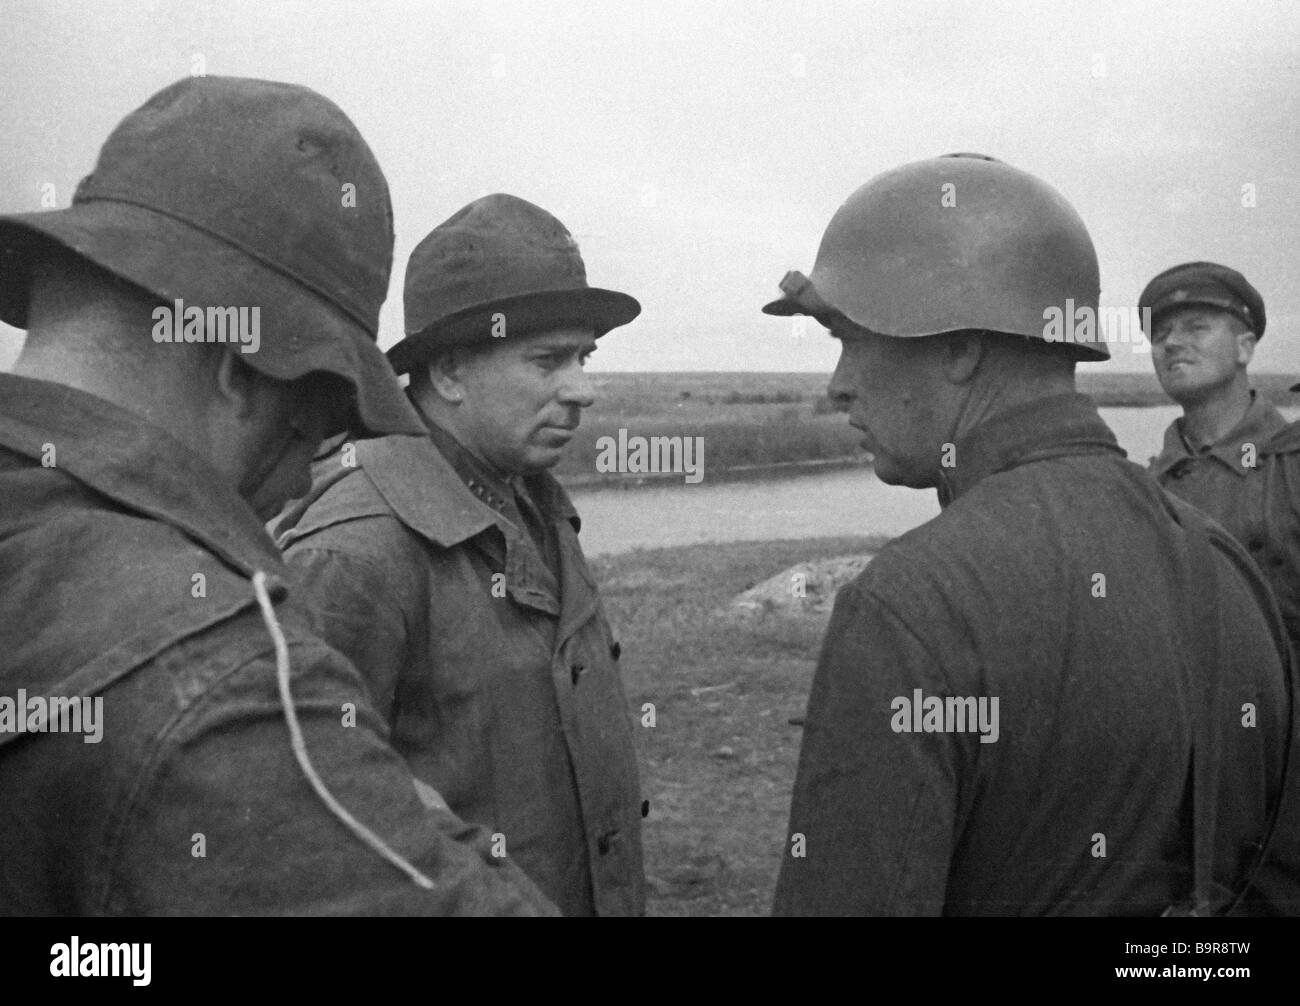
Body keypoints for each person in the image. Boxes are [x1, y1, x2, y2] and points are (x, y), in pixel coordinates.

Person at [0, 76, 556, 916]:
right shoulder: (223, 677)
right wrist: (410, 821)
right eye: (325, 415)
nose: (309, 474)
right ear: (240, 365)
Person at [764, 154, 1297, 916]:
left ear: (959, 346)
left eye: (849, 338)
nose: (838, 384)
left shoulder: (911, 606)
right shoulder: (1222, 563)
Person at [274, 194, 646, 916]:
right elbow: (306, 822)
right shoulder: (358, 554)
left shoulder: (535, 505)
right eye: (548, 361)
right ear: (447, 373)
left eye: (585, 356)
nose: (584, 389)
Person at [1141, 262, 1300, 657]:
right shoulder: (1143, 491)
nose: (1172, 343)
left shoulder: (1291, 467)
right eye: (1160, 335)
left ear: (1244, 347)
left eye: (1196, 327)